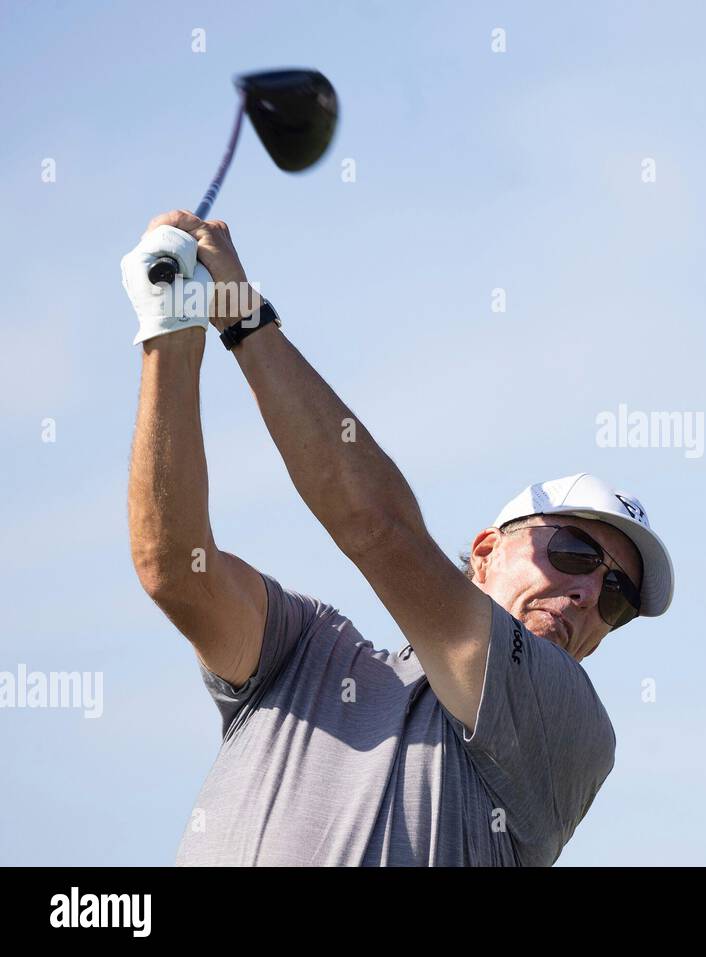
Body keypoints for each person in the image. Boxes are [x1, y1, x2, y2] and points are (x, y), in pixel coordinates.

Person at [120, 211, 675, 866]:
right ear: (486, 551)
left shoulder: (568, 729)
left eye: (617, 595)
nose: (587, 592)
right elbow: (174, 568)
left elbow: (378, 530)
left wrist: (243, 317)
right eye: (574, 552)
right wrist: (171, 332)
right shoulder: (304, 648)